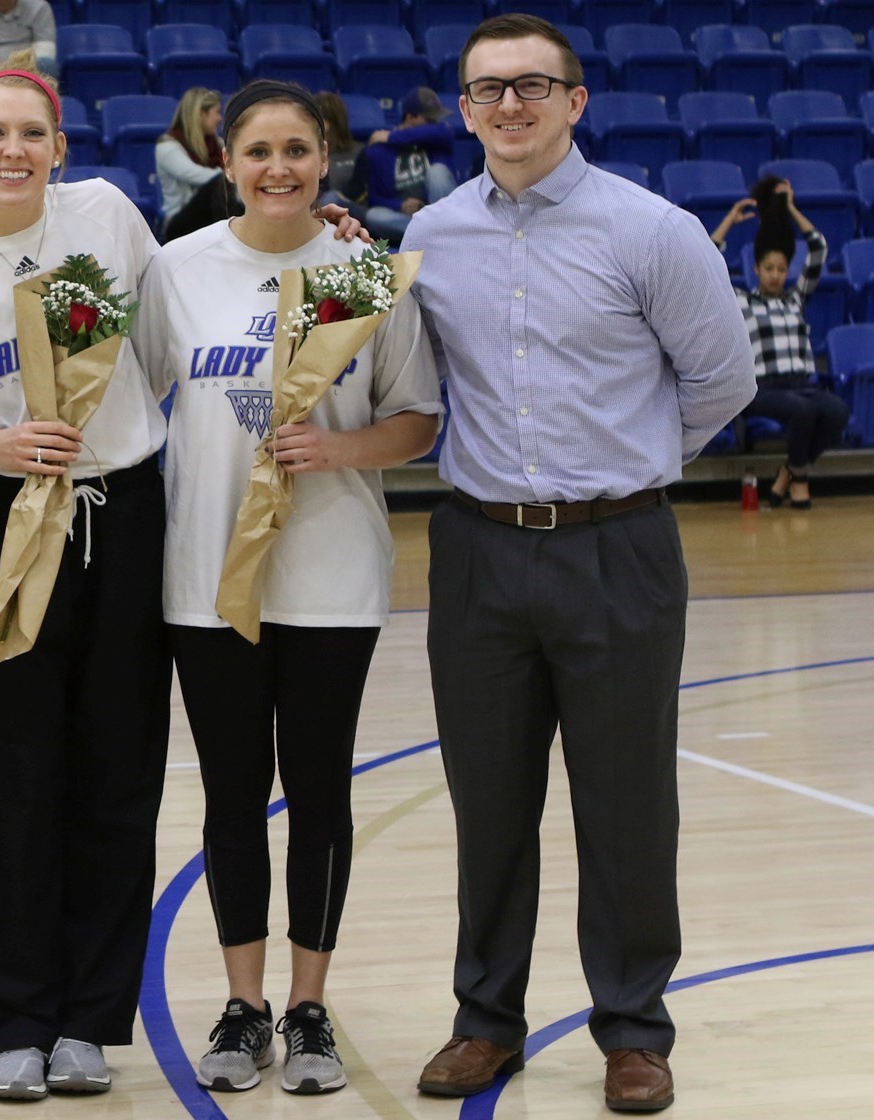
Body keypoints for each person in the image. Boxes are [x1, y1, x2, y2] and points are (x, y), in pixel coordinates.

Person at [401, 14, 755, 1113]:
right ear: (462, 109)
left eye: (531, 86)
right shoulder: (428, 231)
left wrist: (628, 470)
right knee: (486, 802)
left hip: (619, 548)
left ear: (573, 101)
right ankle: (484, 1020)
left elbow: (721, 381)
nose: (508, 106)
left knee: (625, 801)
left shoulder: (649, 230)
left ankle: (633, 1028)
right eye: (486, 90)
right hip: (475, 549)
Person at [136, 78, 441, 1098]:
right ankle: (242, 1002)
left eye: (296, 151)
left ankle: (308, 1006)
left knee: (316, 791)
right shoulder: (173, 270)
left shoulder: (362, 271)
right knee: (230, 794)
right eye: (256, 151)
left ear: (325, 159)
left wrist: (338, 444)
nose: (277, 169)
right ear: (224, 162)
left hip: (330, 574)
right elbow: (123, 406)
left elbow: (417, 419)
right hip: (203, 575)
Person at [0, 50, 173, 1103]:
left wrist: (333, 248)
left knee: (116, 767)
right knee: (13, 772)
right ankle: (12, 1017)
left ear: (58, 149)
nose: (13, 151)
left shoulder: (105, 216)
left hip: (124, 509)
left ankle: (91, 1019)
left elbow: (165, 343)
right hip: (6, 518)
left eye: (31, 134)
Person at [711, 178, 849, 510]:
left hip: (802, 385)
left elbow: (818, 248)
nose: (775, 274)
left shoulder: (795, 299)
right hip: (761, 390)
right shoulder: (742, 301)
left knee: (837, 411)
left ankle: (789, 471)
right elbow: (708, 261)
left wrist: (790, 209)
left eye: (781, 268)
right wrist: (730, 219)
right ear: (756, 268)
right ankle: (800, 482)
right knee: (802, 411)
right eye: (769, 268)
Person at [362, 87, 457, 242]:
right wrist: (400, 205)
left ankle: (439, 232)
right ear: (410, 117)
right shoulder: (379, 150)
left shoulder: (439, 138)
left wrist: (393, 136)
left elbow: (443, 131)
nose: (435, 123)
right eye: (429, 120)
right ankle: (433, 235)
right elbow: (374, 198)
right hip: (407, 217)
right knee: (374, 216)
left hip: (439, 210)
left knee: (437, 171)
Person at [154, 87, 224, 234]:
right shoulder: (167, 147)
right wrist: (230, 176)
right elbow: (199, 176)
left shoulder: (218, 143)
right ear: (200, 114)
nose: (220, 118)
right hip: (181, 224)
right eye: (216, 112)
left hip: (214, 218)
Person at [314, 90, 366, 218]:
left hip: (353, 208)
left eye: (318, 117)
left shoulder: (358, 150)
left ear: (331, 121)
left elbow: (358, 188)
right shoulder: (312, 151)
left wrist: (340, 195)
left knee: (331, 198)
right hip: (318, 206)